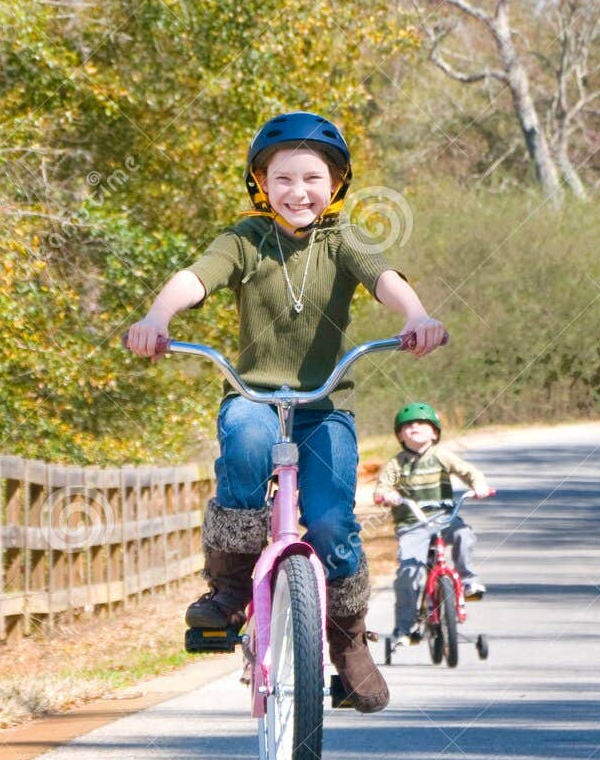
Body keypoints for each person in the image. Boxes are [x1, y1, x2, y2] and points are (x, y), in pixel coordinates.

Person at [124, 111, 447, 713]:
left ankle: (347, 640)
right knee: (245, 447)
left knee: (330, 522)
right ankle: (230, 591)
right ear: (261, 184)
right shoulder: (245, 239)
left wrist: (417, 315)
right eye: (283, 179)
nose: (299, 191)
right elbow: (195, 279)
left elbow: (385, 280)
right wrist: (157, 317)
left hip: (325, 407)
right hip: (253, 398)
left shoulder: (344, 239)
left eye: (313, 178)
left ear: (337, 183)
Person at [373, 402, 494, 643]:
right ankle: (405, 628)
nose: (414, 427)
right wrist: (387, 494)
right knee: (409, 573)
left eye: (421, 423)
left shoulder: (441, 455)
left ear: (435, 433)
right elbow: (382, 487)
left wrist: (479, 485)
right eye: (407, 425)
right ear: (400, 435)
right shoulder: (397, 463)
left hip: (443, 518)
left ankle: (468, 581)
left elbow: (469, 472)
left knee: (464, 534)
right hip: (412, 524)